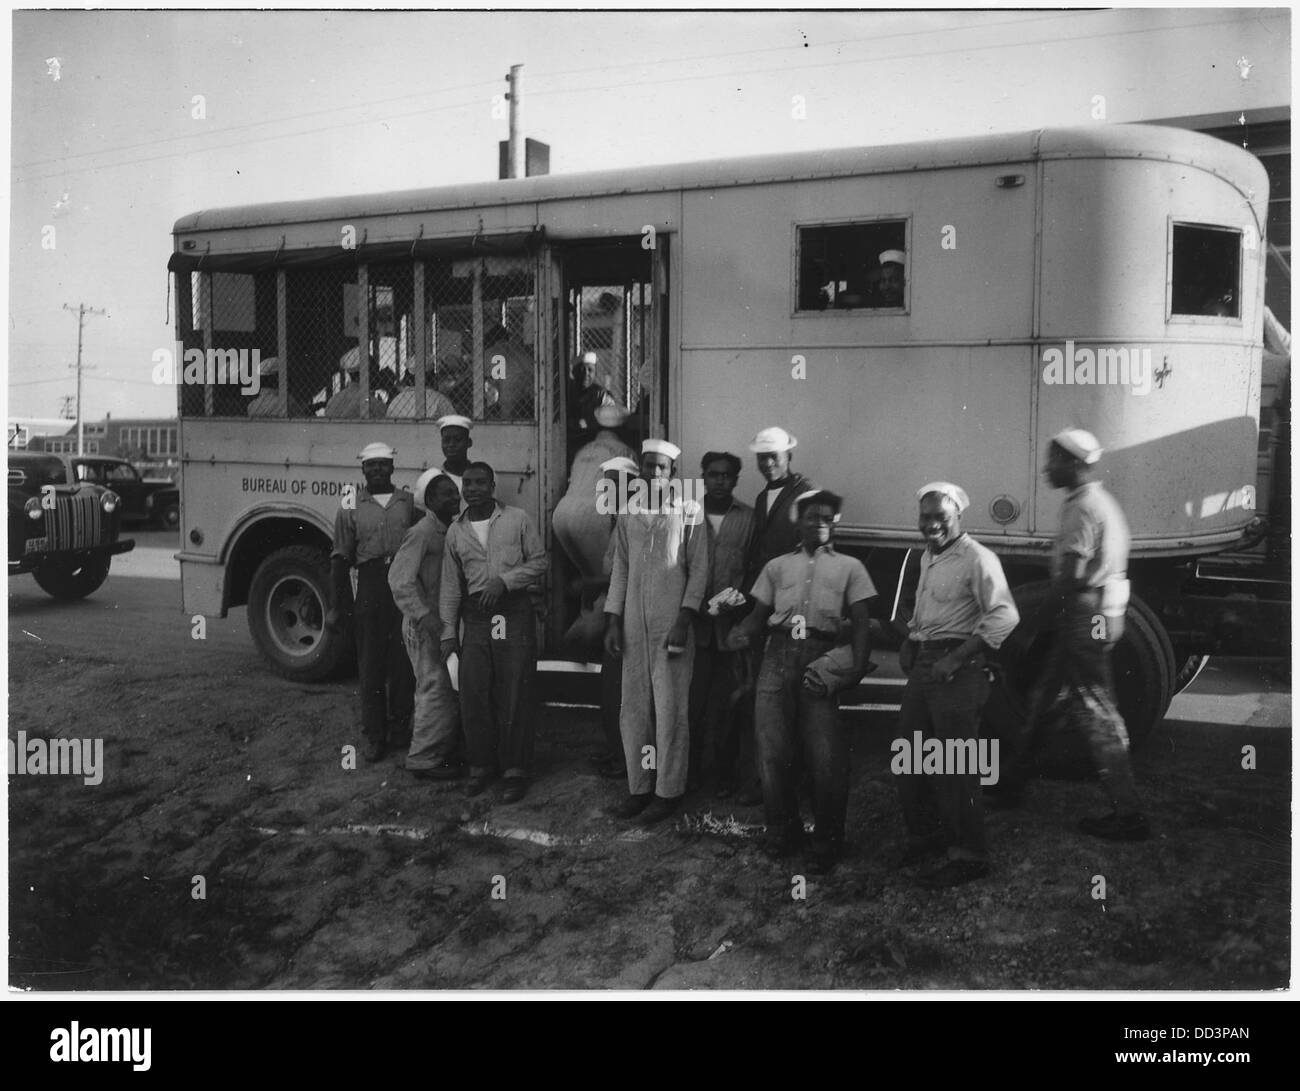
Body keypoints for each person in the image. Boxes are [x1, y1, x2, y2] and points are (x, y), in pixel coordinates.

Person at [999, 430, 1149, 841]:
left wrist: (1029, 626)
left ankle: (1129, 812)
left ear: (1073, 462)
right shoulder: (1100, 502)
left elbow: (1070, 579)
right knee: (1046, 699)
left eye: (1053, 460)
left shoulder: (1083, 508)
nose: (1047, 469)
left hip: (1083, 614)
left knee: (1096, 711)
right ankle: (1013, 782)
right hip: (1099, 612)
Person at [725, 490, 875, 873]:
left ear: (836, 521)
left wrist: (855, 668)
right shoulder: (776, 567)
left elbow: (860, 623)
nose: (818, 522)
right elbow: (758, 618)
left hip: (820, 660)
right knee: (772, 750)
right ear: (799, 520)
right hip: (776, 658)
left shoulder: (851, 568)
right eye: (811, 516)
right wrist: (739, 631)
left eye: (826, 516)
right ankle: (782, 830)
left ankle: (827, 839)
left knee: (825, 754)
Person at [895, 481, 1019, 888]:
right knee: (911, 754)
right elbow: (925, 609)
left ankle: (970, 853)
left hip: (957, 666)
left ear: (958, 518)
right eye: (925, 517)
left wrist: (957, 657)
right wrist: (911, 639)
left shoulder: (978, 558)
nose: (932, 525)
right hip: (927, 662)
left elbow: (1004, 615)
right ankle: (930, 835)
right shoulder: (928, 557)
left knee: (955, 762)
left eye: (940, 518)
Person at [604, 438, 709, 825]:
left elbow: (698, 570)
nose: (653, 473)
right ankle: (639, 788)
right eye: (647, 466)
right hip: (633, 623)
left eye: (661, 468)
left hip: (672, 623)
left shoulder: (689, 511)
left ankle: (668, 791)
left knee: (669, 707)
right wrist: (613, 620)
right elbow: (621, 569)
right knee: (634, 708)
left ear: (673, 473)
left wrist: (685, 617)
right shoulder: (629, 513)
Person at [439, 461, 548, 803]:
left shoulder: (517, 519)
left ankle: (515, 771)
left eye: (479, 483)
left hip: (513, 613)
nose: (472, 489)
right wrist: (447, 632)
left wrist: (505, 581)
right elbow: (450, 588)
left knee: (514, 691)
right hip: (477, 618)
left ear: (492, 485)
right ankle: (481, 767)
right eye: (467, 484)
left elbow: (541, 561)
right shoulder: (456, 531)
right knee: (473, 691)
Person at [326, 442, 418, 762]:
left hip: (403, 583)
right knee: (370, 664)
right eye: (371, 465)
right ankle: (374, 735)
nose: (377, 470)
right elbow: (340, 558)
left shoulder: (407, 502)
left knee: (404, 661)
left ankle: (401, 729)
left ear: (392, 467)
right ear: (362, 469)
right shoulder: (350, 504)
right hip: (370, 582)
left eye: (383, 464)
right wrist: (337, 607)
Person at [688, 451, 757, 796]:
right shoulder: (686, 515)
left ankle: (724, 775)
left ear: (735, 480)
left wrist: (735, 604)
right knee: (693, 702)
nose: (719, 481)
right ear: (702, 477)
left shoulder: (748, 519)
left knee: (729, 702)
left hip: (730, 626)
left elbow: (753, 570)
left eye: (727, 476)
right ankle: (690, 774)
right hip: (695, 626)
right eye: (713, 474)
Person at [388, 468, 465, 780]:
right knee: (435, 686)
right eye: (446, 493)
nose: (454, 497)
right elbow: (399, 580)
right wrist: (423, 615)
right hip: (424, 624)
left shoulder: (449, 530)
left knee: (446, 687)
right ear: (431, 500)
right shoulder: (422, 533)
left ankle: (439, 750)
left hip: (441, 622)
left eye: (454, 491)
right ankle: (423, 759)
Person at [324, 347, 387, 418]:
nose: (378, 375)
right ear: (365, 374)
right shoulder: (373, 404)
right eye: (374, 371)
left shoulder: (333, 401)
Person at [569, 351, 616, 436]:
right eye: (582, 369)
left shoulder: (601, 395)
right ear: (573, 372)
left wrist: (588, 422)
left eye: (590, 370)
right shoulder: (567, 392)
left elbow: (611, 421)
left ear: (595, 374)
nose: (586, 374)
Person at [387, 368, 457, 420]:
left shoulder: (396, 400)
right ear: (433, 378)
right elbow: (453, 422)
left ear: (408, 380)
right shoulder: (440, 399)